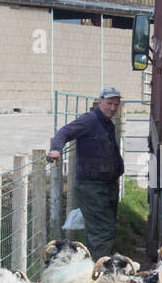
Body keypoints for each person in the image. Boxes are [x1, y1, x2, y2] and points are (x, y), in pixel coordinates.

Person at [48, 87, 125, 256]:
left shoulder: (108, 124)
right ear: (100, 102)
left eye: (116, 105)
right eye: (109, 103)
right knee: (102, 231)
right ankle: (99, 270)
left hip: (108, 185)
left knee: (105, 229)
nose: (112, 108)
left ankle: (97, 264)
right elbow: (64, 132)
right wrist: (56, 150)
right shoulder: (89, 120)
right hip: (92, 187)